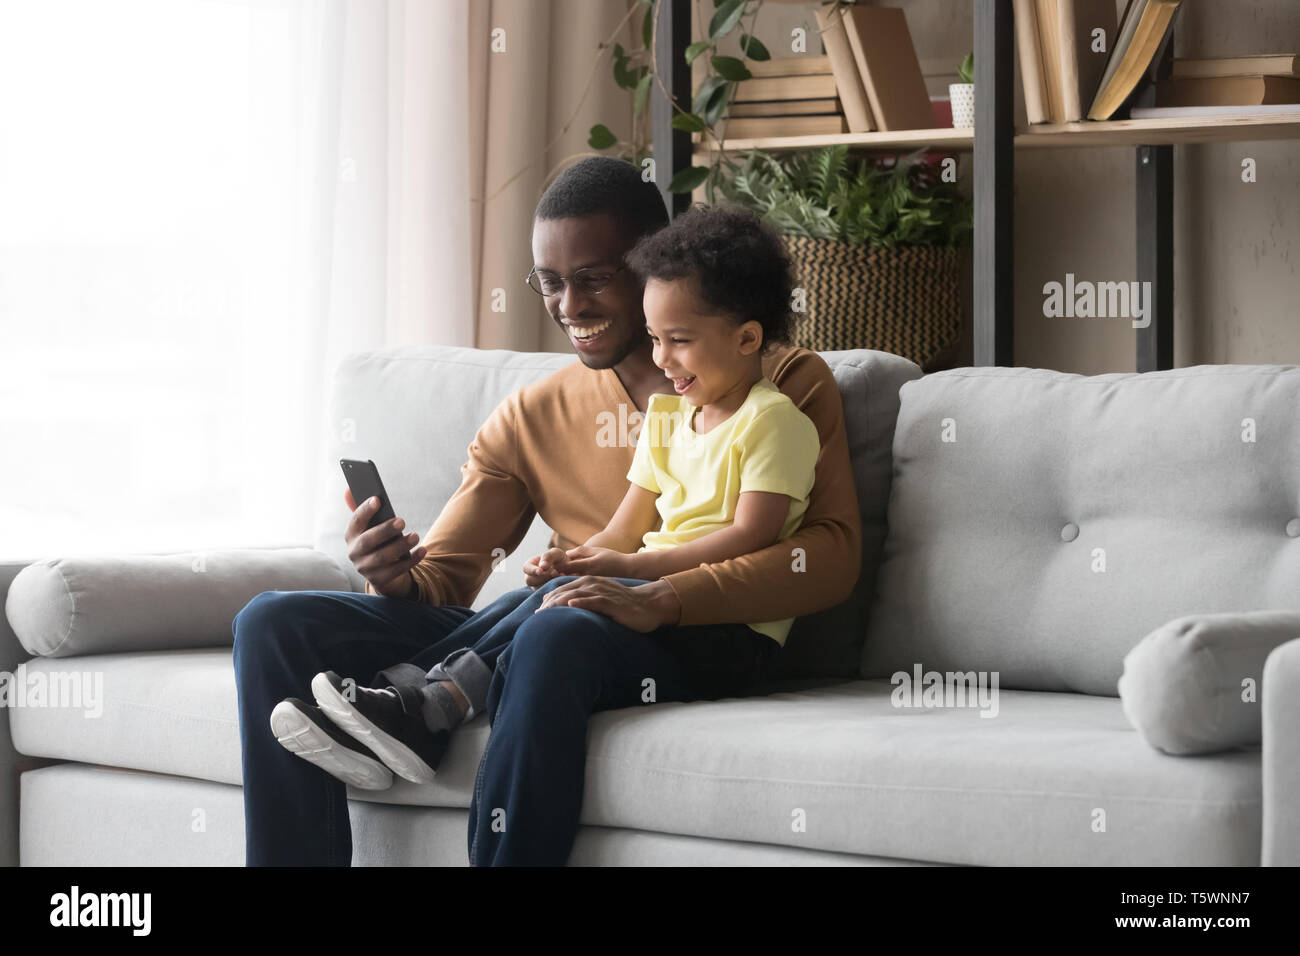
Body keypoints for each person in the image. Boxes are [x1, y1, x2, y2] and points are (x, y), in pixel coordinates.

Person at [231, 156, 862, 866]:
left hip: (645, 632)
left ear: (651, 266)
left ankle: (420, 706)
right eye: (551, 283)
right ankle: (408, 710)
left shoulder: (782, 385)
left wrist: (664, 596)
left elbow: (827, 558)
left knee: (553, 630)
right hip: (552, 613)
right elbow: (443, 587)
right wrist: (391, 575)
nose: (570, 306)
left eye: (593, 278)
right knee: (272, 624)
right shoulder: (532, 415)